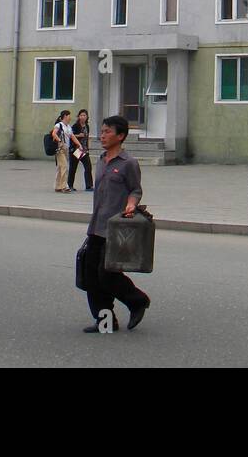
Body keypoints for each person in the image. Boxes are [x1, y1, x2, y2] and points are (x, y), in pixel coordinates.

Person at [78, 115, 150, 333]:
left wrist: (130, 204)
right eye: (102, 131)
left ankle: (137, 300)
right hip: (96, 227)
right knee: (92, 277)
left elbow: (135, 190)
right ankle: (105, 321)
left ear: (120, 136)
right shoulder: (100, 159)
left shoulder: (129, 163)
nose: (102, 135)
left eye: (107, 131)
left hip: (116, 229)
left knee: (107, 275)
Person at [67, 109, 93, 192]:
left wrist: (88, 148)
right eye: (81, 115)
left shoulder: (87, 126)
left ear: (87, 117)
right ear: (78, 117)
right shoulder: (75, 126)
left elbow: (87, 137)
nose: (82, 117)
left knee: (88, 167)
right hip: (76, 150)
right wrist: (79, 135)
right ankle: (70, 185)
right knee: (73, 168)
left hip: (84, 150)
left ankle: (89, 186)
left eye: (84, 115)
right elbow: (70, 135)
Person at [51, 111, 73, 194]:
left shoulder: (69, 127)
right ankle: (64, 186)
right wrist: (60, 141)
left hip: (66, 149)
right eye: (69, 116)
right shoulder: (58, 125)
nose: (70, 117)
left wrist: (79, 145)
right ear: (65, 116)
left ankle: (57, 186)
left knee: (60, 168)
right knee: (64, 166)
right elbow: (54, 134)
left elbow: (72, 136)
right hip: (60, 149)